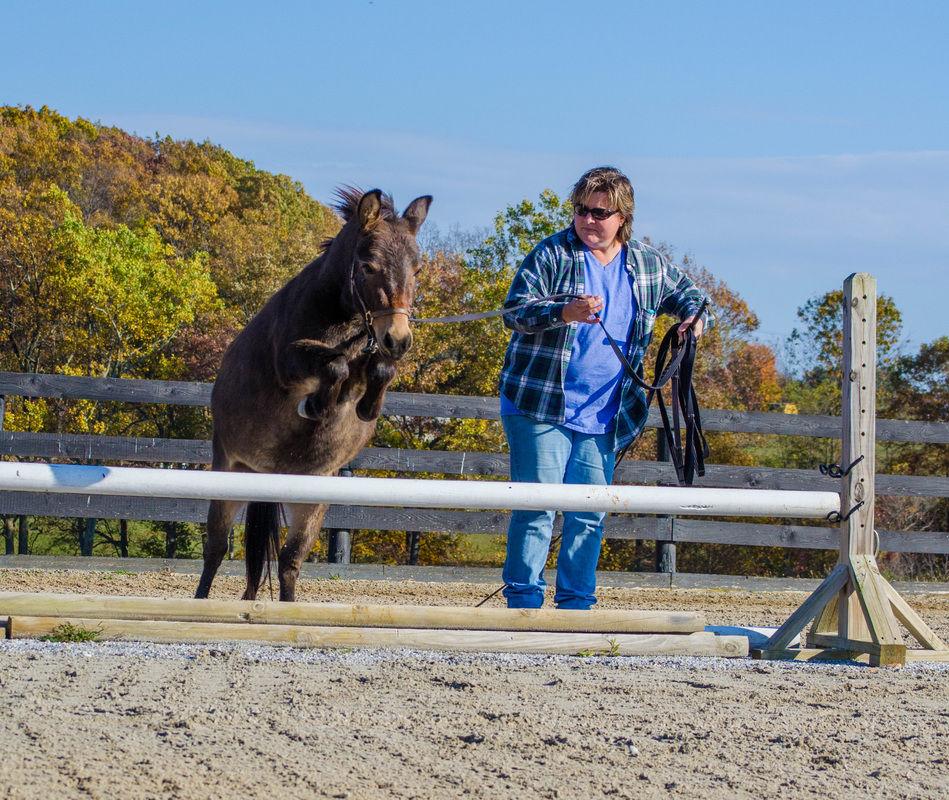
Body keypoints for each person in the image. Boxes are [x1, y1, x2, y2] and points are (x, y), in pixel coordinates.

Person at [499, 166, 711, 610]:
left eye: (599, 212)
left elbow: (693, 296)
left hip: (607, 412)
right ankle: (523, 603)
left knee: (589, 514)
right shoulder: (551, 254)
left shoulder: (648, 264)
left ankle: (576, 604)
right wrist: (563, 313)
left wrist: (693, 319)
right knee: (538, 508)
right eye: (580, 210)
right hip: (540, 403)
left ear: (622, 217)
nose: (587, 220)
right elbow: (514, 312)